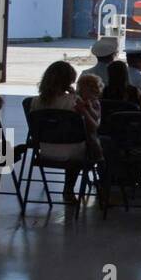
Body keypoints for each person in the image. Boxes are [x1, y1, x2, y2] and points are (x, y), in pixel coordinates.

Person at [35, 61, 92, 202]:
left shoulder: (35, 102)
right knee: (89, 146)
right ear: (69, 81)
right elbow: (86, 125)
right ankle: (70, 189)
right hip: (72, 152)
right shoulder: (74, 101)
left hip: (45, 150)